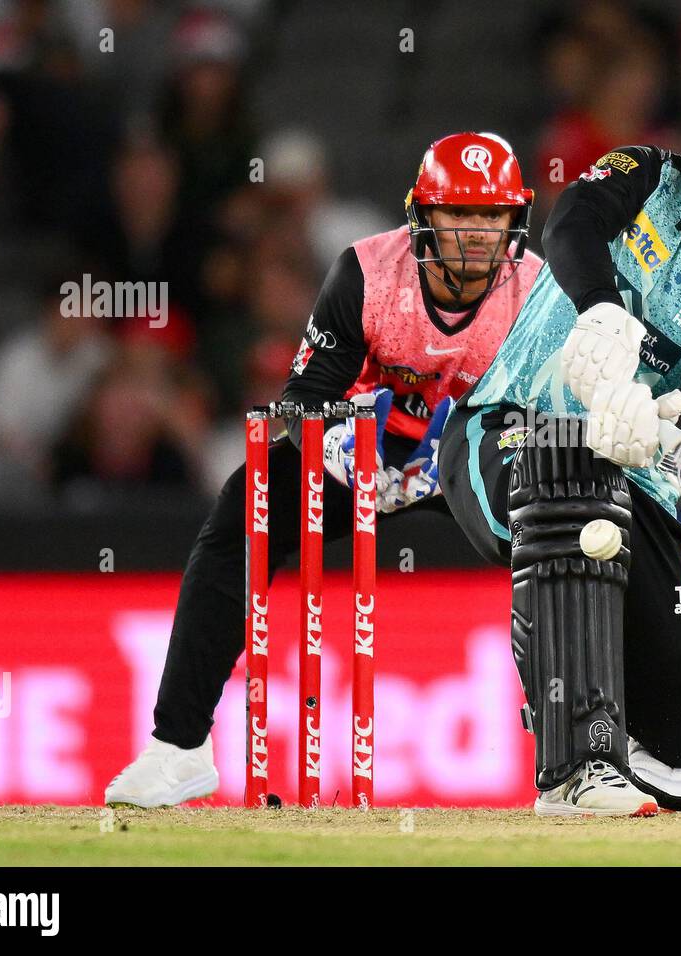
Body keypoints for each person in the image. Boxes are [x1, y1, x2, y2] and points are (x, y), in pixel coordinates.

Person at [440, 70, 681, 816]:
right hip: (501, 433)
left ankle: (668, 745)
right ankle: (575, 768)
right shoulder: (646, 174)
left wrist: (658, 422)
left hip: (633, 478)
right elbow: (570, 224)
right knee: (573, 489)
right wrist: (600, 309)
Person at [105, 132, 542, 807]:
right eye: (459, 212)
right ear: (424, 214)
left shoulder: (540, 293)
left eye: (493, 214)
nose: (477, 233)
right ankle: (178, 749)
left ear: (515, 218)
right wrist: (340, 448)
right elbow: (306, 396)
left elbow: (545, 416)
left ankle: (603, 750)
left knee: (578, 525)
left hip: (471, 454)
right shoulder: (367, 272)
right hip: (364, 448)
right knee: (247, 506)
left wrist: (470, 459)